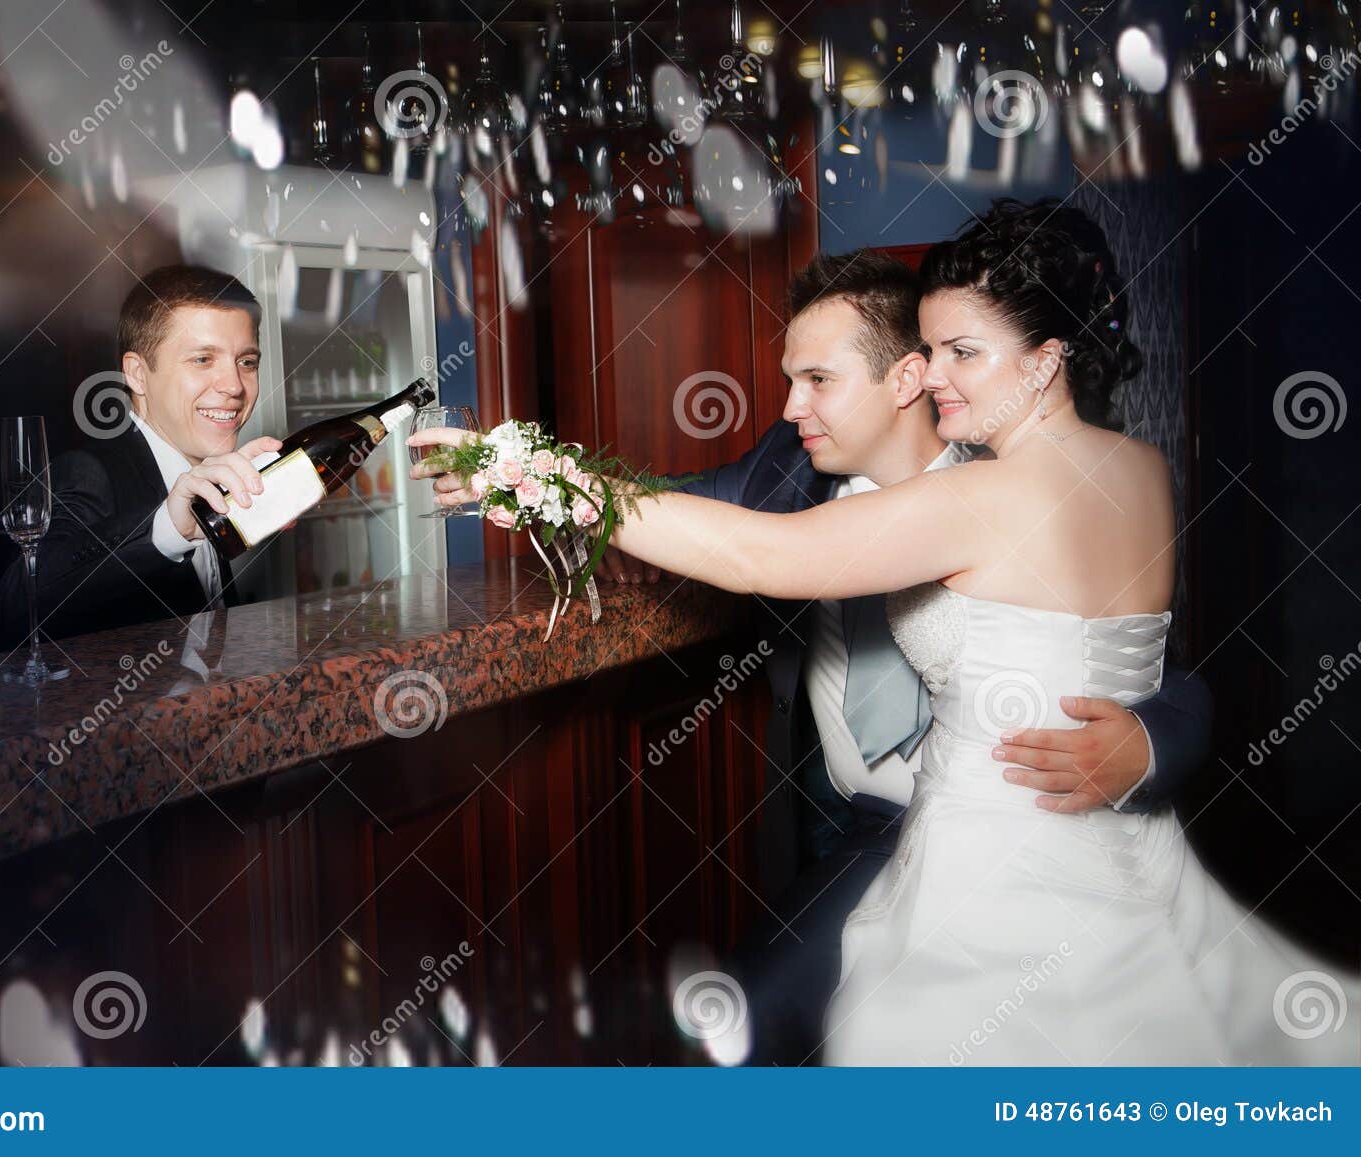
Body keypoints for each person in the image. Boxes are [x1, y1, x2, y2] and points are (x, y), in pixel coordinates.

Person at [415, 203, 1359, 1063]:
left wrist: (522, 467)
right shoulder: (1144, 469)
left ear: (1047, 357)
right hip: (1111, 852)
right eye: (931, 349)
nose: (932, 373)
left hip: (991, 853)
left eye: (961, 353)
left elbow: (759, 558)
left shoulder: (986, 492)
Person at [0, 265, 282, 641]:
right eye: (202, 360)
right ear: (137, 374)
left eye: (247, 362)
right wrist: (168, 529)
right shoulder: (89, 472)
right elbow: (18, 602)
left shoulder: (216, 480)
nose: (234, 386)